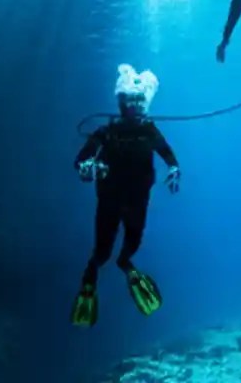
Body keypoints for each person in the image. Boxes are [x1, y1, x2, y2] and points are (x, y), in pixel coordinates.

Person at [70, 64, 181, 328]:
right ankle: (91, 279)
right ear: (121, 104)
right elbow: (81, 159)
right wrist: (87, 167)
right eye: (131, 102)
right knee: (102, 250)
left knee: (130, 243)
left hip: (136, 200)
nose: (135, 107)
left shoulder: (150, 131)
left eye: (139, 102)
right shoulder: (106, 132)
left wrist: (174, 168)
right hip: (111, 199)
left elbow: (167, 152)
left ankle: (124, 266)